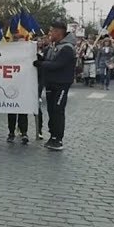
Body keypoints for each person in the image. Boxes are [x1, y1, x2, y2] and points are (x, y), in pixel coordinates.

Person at [34, 21, 76, 152]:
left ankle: (58, 138)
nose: (50, 33)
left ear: (59, 32)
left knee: (58, 110)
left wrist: (40, 64)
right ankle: (52, 135)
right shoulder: (54, 46)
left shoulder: (67, 48)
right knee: (51, 110)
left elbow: (57, 65)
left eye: (52, 31)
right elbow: (47, 60)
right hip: (51, 83)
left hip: (61, 84)